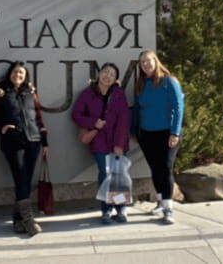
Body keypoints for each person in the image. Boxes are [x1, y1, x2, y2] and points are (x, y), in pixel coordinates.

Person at [0, 61, 49, 236]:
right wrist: (2, 128)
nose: (18, 76)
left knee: (26, 181)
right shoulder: (1, 93)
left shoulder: (30, 93)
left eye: (21, 73)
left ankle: (17, 220)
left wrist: (45, 142)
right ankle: (29, 220)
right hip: (13, 142)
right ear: (9, 74)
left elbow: (38, 118)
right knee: (20, 178)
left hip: (33, 140)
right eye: (15, 72)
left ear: (26, 76)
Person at [71, 62, 131, 224]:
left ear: (115, 79)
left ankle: (121, 208)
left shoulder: (119, 94)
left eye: (112, 74)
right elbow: (76, 114)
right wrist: (93, 123)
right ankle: (106, 209)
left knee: (119, 176)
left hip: (117, 141)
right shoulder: (88, 93)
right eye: (105, 72)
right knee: (105, 175)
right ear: (99, 74)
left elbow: (124, 120)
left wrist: (119, 144)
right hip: (99, 142)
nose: (108, 76)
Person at [134, 50, 184, 225]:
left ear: (156, 61)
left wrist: (175, 132)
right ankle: (160, 202)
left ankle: (168, 208)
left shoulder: (168, 81)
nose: (145, 64)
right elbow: (138, 109)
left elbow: (179, 108)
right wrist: (136, 132)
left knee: (166, 169)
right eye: (142, 62)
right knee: (155, 169)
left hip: (167, 133)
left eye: (148, 60)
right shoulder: (141, 84)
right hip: (147, 134)